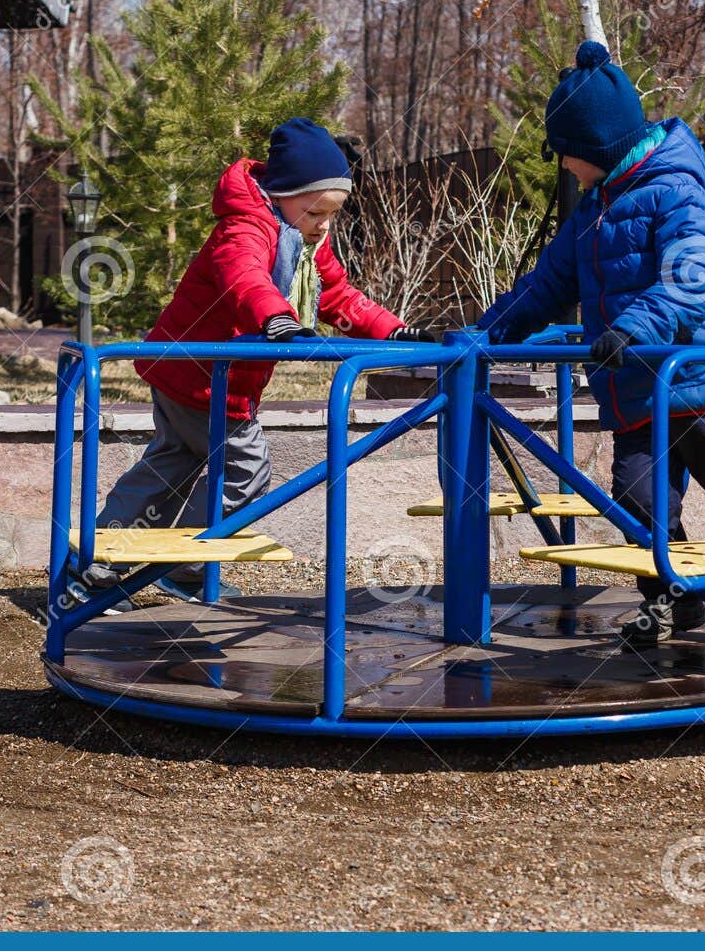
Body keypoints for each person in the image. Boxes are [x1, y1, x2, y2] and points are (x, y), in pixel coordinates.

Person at [477, 41, 705, 649]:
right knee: (638, 502)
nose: (563, 167)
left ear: (597, 148)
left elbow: (695, 272)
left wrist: (635, 329)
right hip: (635, 391)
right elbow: (547, 285)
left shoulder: (676, 192)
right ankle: (673, 596)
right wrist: (486, 333)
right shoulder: (593, 211)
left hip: (702, 385)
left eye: (566, 155)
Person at [78, 117, 436, 603]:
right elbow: (242, 278)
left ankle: (105, 555)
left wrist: (392, 330)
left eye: (332, 214)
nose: (324, 224)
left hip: (197, 376)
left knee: (172, 463)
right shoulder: (245, 226)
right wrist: (275, 317)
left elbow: (336, 297)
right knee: (247, 471)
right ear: (284, 194)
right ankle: (180, 557)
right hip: (205, 377)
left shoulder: (303, 240)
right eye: (316, 212)